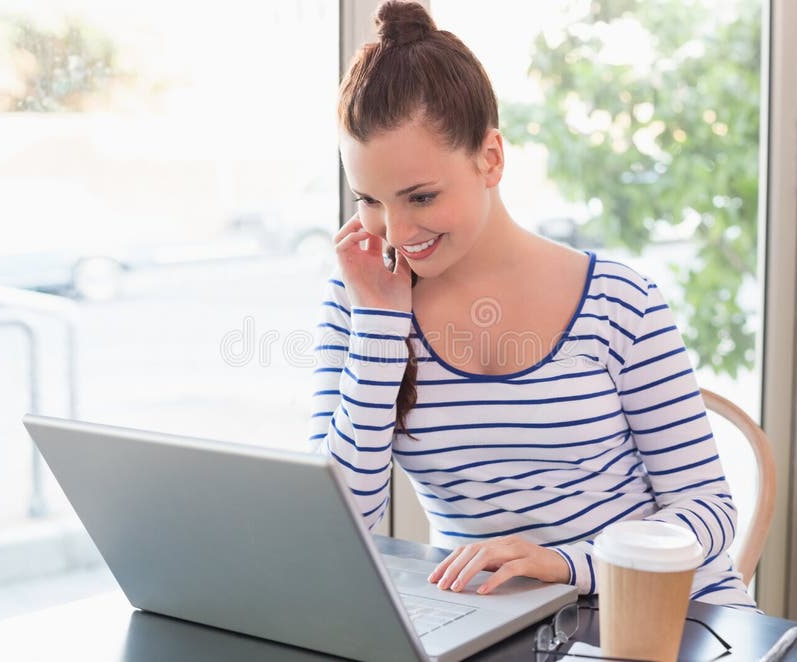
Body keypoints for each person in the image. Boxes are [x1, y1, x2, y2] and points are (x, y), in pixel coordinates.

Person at [307, 0, 757, 611]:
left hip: (664, 614)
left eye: (420, 196)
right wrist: (382, 327)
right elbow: (339, 523)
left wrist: (568, 565)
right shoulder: (360, 300)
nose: (394, 230)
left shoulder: (620, 301)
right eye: (370, 200)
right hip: (494, 624)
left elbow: (710, 510)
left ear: (490, 158)